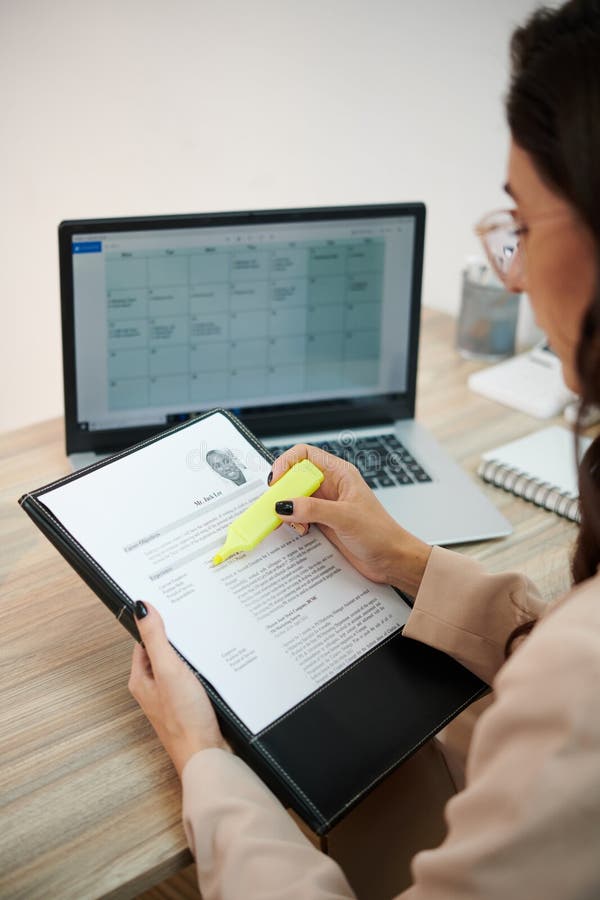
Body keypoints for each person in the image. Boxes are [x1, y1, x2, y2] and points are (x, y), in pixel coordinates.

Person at [128, 1, 600, 896]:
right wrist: (410, 560)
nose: (514, 271)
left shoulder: (581, 695)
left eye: (523, 226)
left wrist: (200, 757)